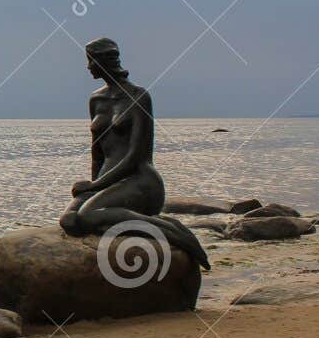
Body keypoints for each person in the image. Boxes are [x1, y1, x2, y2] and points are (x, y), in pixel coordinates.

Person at [58, 37, 210, 269]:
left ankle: (179, 235)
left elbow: (136, 156)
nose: (88, 67)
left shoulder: (138, 97)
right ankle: (149, 222)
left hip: (139, 181)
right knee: (69, 221)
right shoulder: (96, 99)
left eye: (91, 61)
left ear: (104, 61)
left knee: (89, 216)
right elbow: (97, 154)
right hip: (108, 182)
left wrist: (95, 186)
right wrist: (94, 187)